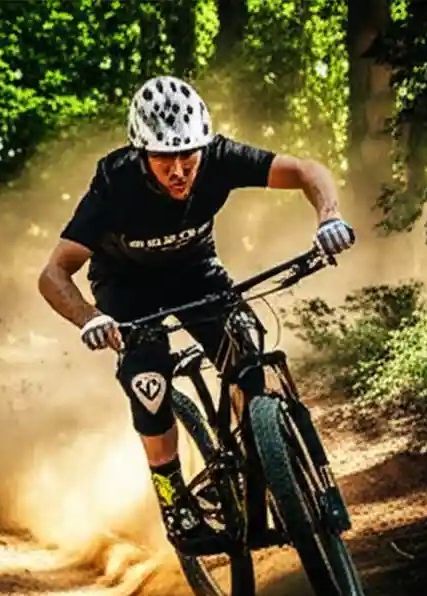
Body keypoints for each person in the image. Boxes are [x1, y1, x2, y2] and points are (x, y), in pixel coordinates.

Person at [38, 75, 356, 552]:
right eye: (165, 158)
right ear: (143, 153)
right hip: (127, 289)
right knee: (150, 384)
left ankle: (268, 458)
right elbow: (54, 273)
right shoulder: (113, 186)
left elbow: (307, 171)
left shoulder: (221, 158)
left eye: (188, 155)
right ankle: (175, 502)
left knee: (248, 354)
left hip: (196, 273)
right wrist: (89, 318)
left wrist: (329, 215)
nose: (180, 169)